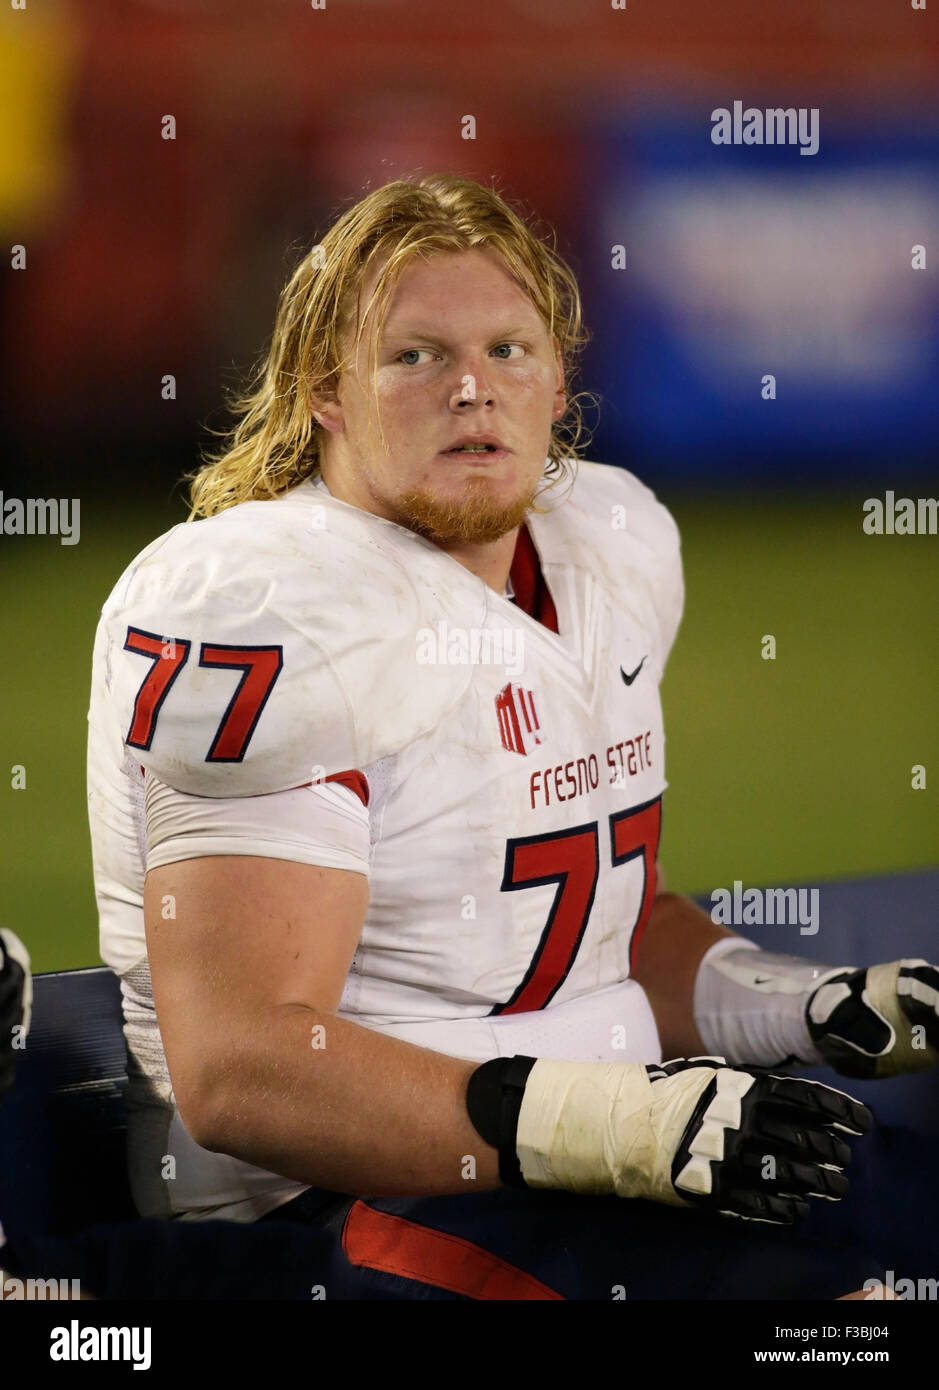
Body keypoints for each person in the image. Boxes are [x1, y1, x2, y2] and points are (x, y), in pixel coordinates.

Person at [81, 172, 938, 1299]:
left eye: (508, 349)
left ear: (559, 379)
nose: (473, 389)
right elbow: (244, 1073)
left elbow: (593, 932)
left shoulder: (609, 544)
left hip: (590, 1155)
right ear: (323, 392)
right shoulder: (267, 605)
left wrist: (808, 1005)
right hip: (332, 1213)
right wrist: (616, 1126)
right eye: (416, 355)